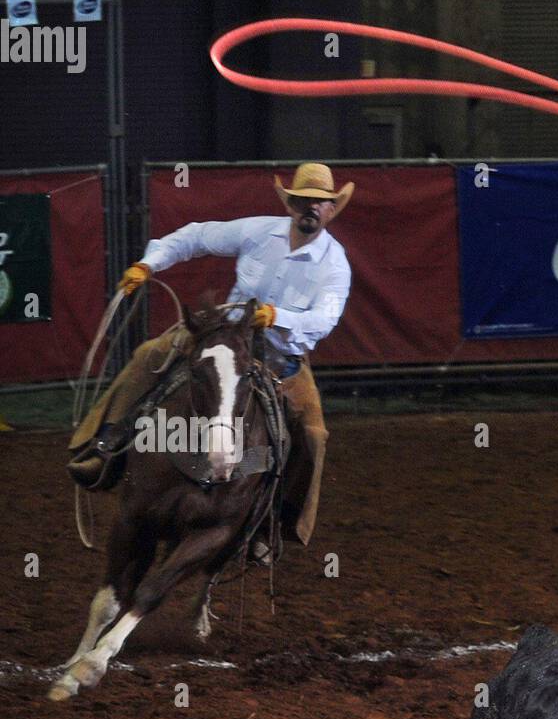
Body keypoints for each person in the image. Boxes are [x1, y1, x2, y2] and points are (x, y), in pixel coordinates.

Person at [69, 162, 353, 551]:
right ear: (290, 203)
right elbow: (197, 237)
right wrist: (148, 264)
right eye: (304, 200)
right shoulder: (259, 231)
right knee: (148, 355)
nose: (311, 208)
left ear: (331, 209)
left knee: (313, 435)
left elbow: (326, 318)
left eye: (320, 203)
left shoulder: (335, 263)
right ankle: (105, 446)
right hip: (226, 336)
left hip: (279, 358)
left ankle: (276, 522)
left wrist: (277, 317)